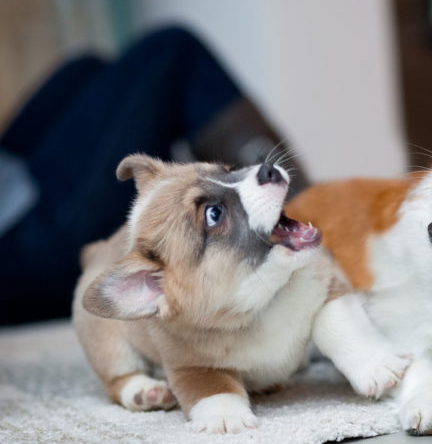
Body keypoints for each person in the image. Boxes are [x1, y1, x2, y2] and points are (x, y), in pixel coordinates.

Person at [0, 26, 308, 325]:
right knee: (174, 52)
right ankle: (309, 239)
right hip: (16, 257)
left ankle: (276, 223)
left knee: (85, 68)